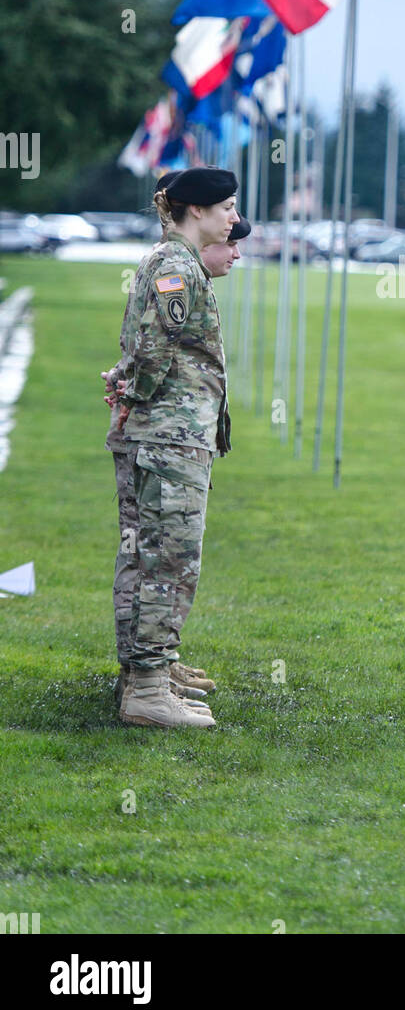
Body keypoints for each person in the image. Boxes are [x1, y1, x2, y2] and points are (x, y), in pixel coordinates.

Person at [103, 185, 250, 713]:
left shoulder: (177, 262)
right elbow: (156, 347)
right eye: (228, 208)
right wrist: (132, 391)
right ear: (198, 211)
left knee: (145, 555)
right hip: (168, 439)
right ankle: (147, 690)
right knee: (167, 561)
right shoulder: (176, 266)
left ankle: (148, 671)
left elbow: (146, 346)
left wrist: (125, 384)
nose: (234, 220)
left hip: (164, 437)